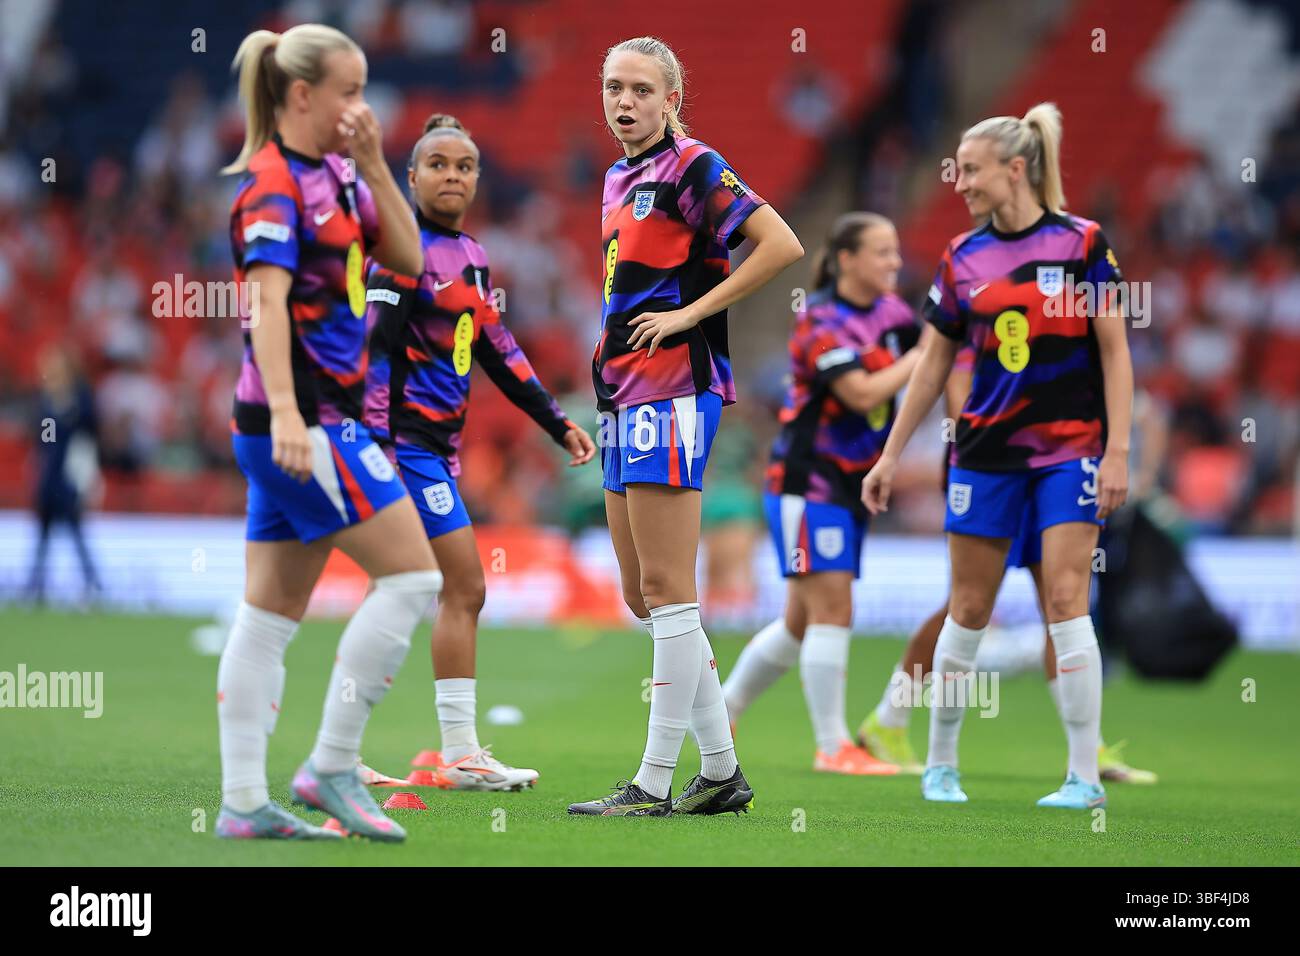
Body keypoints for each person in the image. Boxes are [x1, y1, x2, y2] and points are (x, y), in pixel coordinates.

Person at [861, 103, 1133, 809]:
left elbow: (1115, 353)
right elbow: (930, 368)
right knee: (971, 607)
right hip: (982, 455)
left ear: (1016, 169)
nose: (960, 181)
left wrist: (1118, 451)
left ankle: (1082, 776)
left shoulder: (1084, 245)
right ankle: (941, 766)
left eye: (972, 169)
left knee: (1068, 600)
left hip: (1069, 451)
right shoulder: (962, 257)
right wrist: (890, 455)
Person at [567, 36, 804, 816]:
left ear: (672, 99)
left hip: (672, 389)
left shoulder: (694, 165)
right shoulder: (616, 175)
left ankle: (651, 783)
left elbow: (781, 244)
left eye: (641, 88)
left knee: (669, 586)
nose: (623, 101)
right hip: (622, 393)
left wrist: (691, 315)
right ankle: (723, 772)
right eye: (613, 87)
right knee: (644, 594)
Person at [216, 24, 440, 842]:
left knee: (269, 615)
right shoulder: (271, 187)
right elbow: (266, 307)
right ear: (301, 95)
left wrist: (379, 163)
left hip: (305, 423)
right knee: (415, 581)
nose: (362, 106)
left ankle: (244, 805)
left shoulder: (342, 174)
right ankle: (333, 765)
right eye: (350, 91)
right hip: (303, 423)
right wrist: (287, 415)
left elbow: (410, 261)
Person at [360, 113, 596, 791]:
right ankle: (447, 751)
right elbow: (374, 353)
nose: (452, 175)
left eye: (464, 165)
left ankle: (348, 753)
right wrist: (374, 445)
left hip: (434, 448)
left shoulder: (471, 257)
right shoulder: (399, 252)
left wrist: (555, 423)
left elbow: (498, 347)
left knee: (408, 591)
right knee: (460, 585)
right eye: (437, 164)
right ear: (410, 176)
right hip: (403, 447)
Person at [856, 346, 1158, 784]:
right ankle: (889, 719)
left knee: (1061, 604)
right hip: (988, 469)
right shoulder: (985, 300)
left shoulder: (1052, 308)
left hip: (1052, 469)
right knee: (965, 607)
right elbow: (960, 401)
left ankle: (1087, 750)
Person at [720, 212, 921, 775]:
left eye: (896, 251)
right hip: (809, 484)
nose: (894, 262)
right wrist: (920, 358)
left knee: (799, 623)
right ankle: (833, 746)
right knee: (833, 607)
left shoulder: (896, 315)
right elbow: (859, 394)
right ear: (847, 258)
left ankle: (722, 710)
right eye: (882, 252)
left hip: (853, 487)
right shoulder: (820, 321)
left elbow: (939, 358)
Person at [25, 345, 102, 605]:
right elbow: (45, 440)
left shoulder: (81, 399)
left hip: (70, 476)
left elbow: (88, 432)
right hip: (50, 476)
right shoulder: (46, 402)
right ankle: (36, 588)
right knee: (43, 536)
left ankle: (92, 584)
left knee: (76, 532)